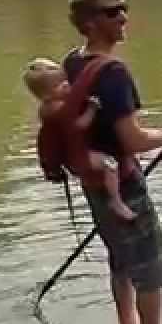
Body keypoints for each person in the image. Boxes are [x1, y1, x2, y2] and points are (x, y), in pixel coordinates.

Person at [63, 0, 162, 324]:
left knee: (120, 260)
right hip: (123, 184)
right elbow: (133, 139)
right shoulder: (114, 72)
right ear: (89, 21)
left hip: (95, 183)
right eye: (111, 11)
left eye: (124, 8)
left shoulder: (74, 61)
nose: (123, 17)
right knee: (151, 268)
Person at [24, 57, 137, 222]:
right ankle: (116, 201)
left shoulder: (53, 105)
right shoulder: (57, 109)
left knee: (110, 163)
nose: (66, 86)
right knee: (110, 164)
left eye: (65, 81)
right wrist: (91, 108)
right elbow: (80, 125)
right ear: (46, 95)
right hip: (78, 157)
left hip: (76, 152)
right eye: (59, 86)